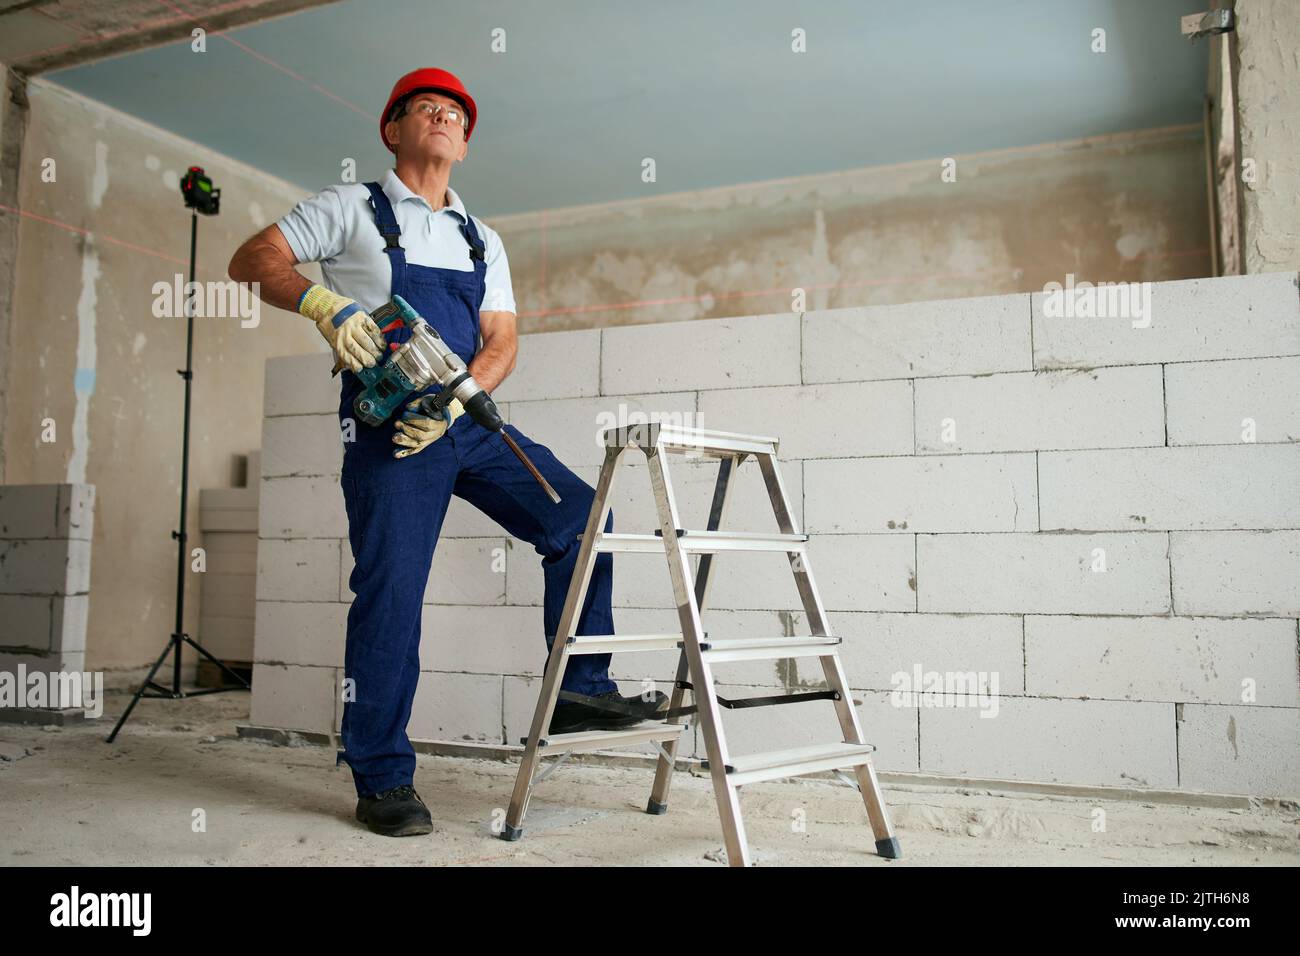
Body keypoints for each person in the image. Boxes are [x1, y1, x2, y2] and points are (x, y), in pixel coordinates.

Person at [228, 67, 666, 837]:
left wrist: (458, 397)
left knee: (580, 518)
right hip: (389, 429)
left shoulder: (480, 237)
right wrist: (319, 301)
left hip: (460, 419)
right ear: (391, 130)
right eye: (423, 109)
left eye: (455, 114)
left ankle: (580, 688)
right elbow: (252, 258)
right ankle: (383, 777)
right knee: (392, 593)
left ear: (465, 143)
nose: (442, 118)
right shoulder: (349, 208)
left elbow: (501, 340)